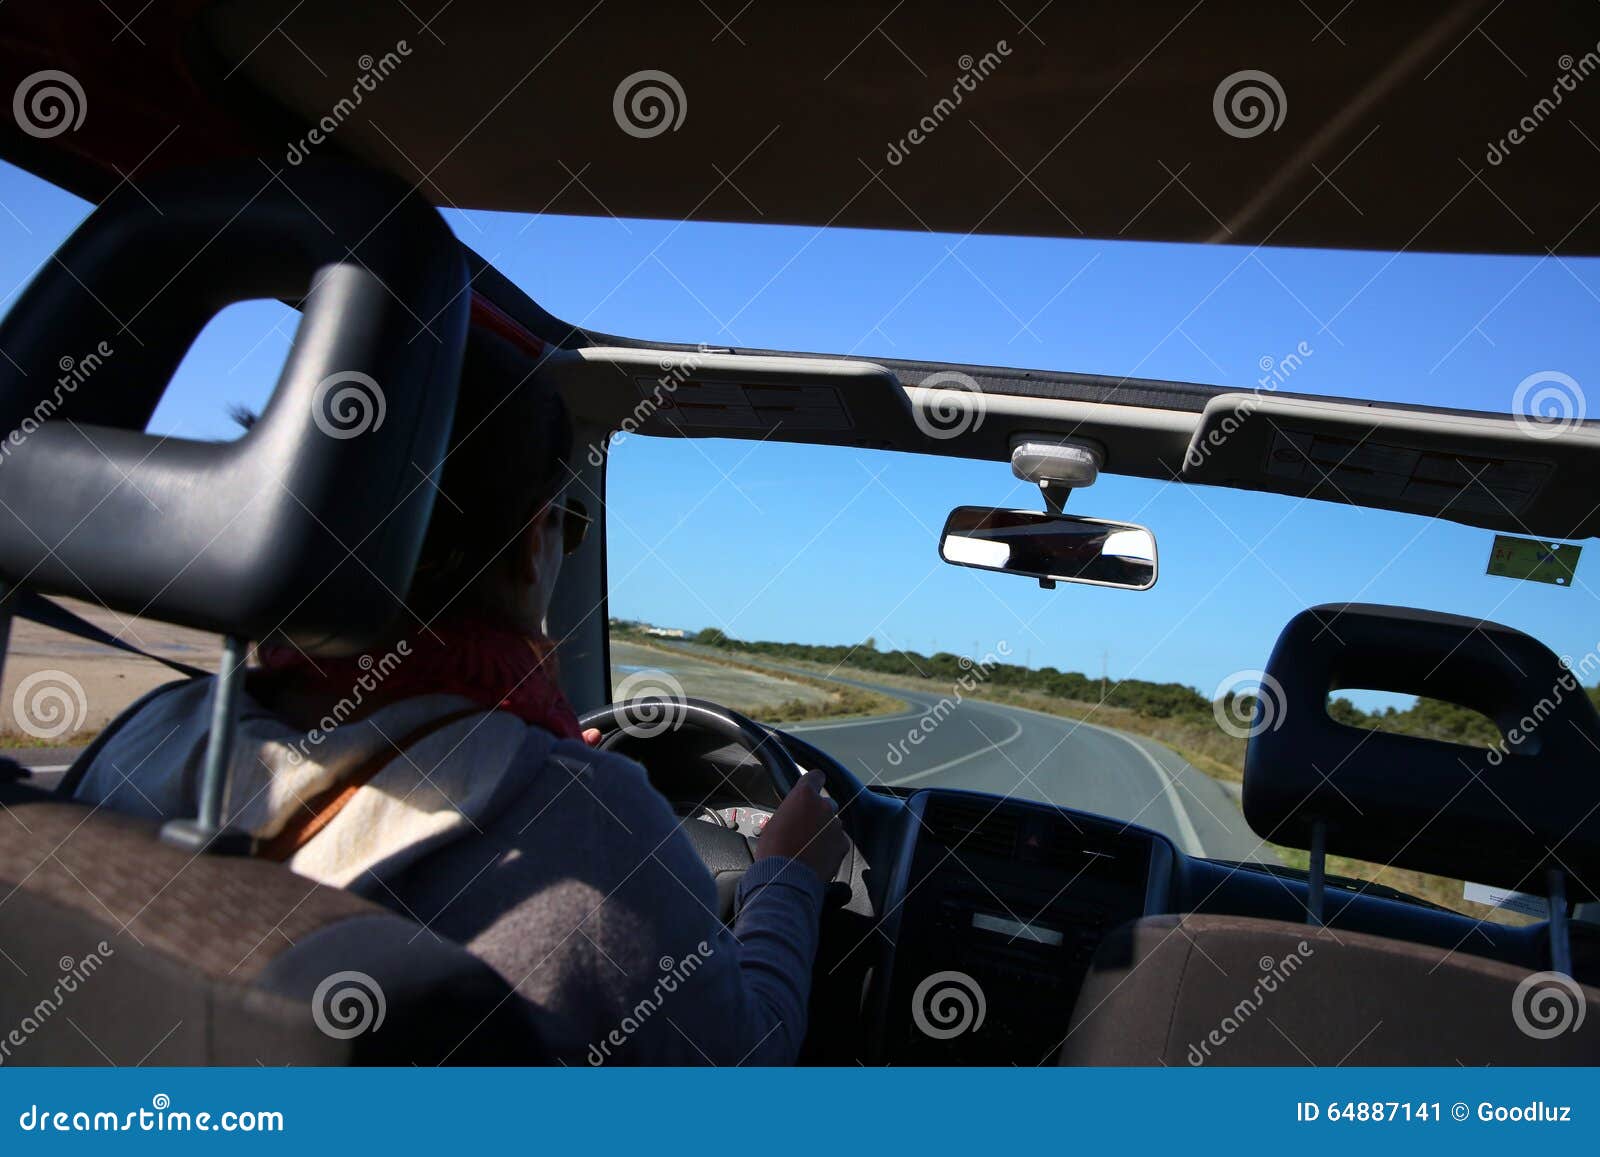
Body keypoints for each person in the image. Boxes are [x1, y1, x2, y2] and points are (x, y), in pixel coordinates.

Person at [71, 330, 849, 1065]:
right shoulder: (583, 823)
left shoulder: (143, 736)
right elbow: (747, 1071)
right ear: (530, 545)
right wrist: (788, 877)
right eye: (565, 526)